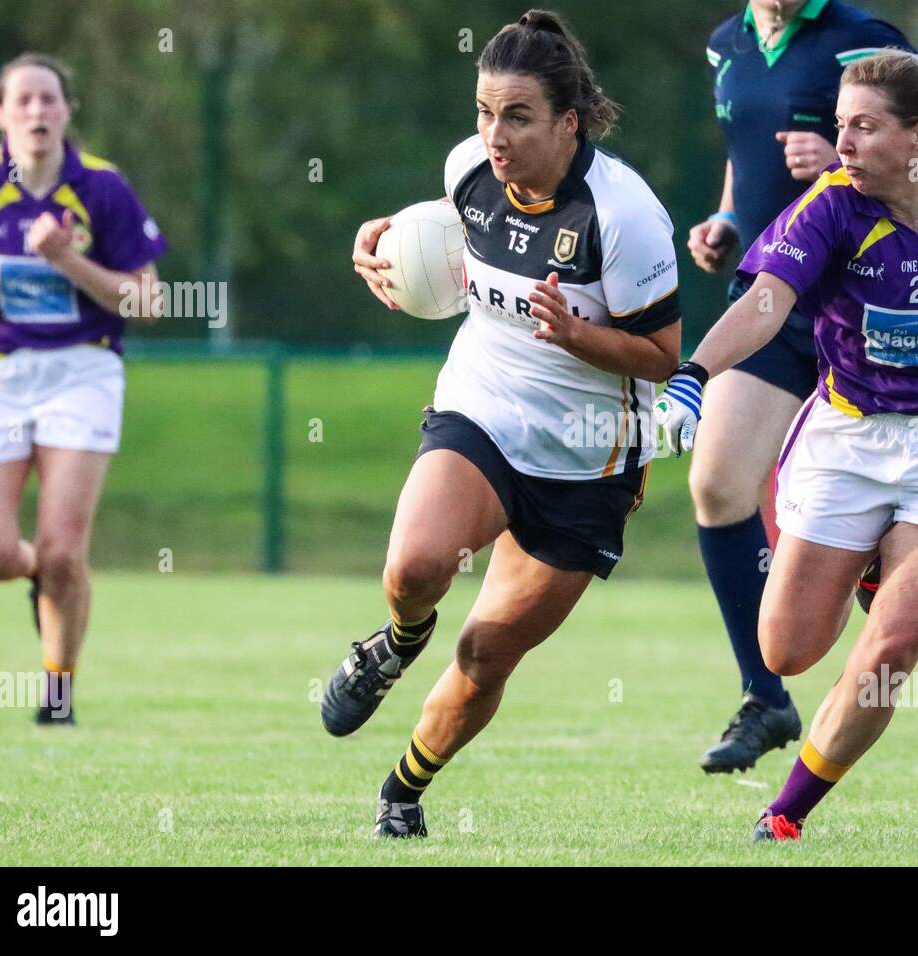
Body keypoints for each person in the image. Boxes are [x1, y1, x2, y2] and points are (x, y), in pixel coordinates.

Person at [655, 50, 918, 840]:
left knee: (893, 647)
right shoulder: (831, 205)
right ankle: (878, 565)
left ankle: (785, 815)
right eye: (839, 125)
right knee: (785, 650)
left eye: (862, 127)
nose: (841, 143)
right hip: (850, 436)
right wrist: (694, 374)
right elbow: (768, 300)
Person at [321, 9, 682, 839]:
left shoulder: (623, 216)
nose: (495, 134)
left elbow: (665, 356)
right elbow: (439, 242)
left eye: (517, 116)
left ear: (569, 120)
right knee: (415, 567)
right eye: (485, 112)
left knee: (487, 656)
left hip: (588, 459)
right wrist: (375, 243)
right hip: (482, 405)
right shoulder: (468, 169)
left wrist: (581, 336)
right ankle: (398, 642)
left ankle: (404, 789)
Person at [0, 54, 168, 723]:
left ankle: (57, 694)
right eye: (21, 100)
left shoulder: (103, 188)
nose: (36, 112)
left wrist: (66, 259)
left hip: (83, 370)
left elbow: (147, 304)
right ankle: (37, 578)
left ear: (66, 112)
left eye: (48, 100)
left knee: (63, 549)